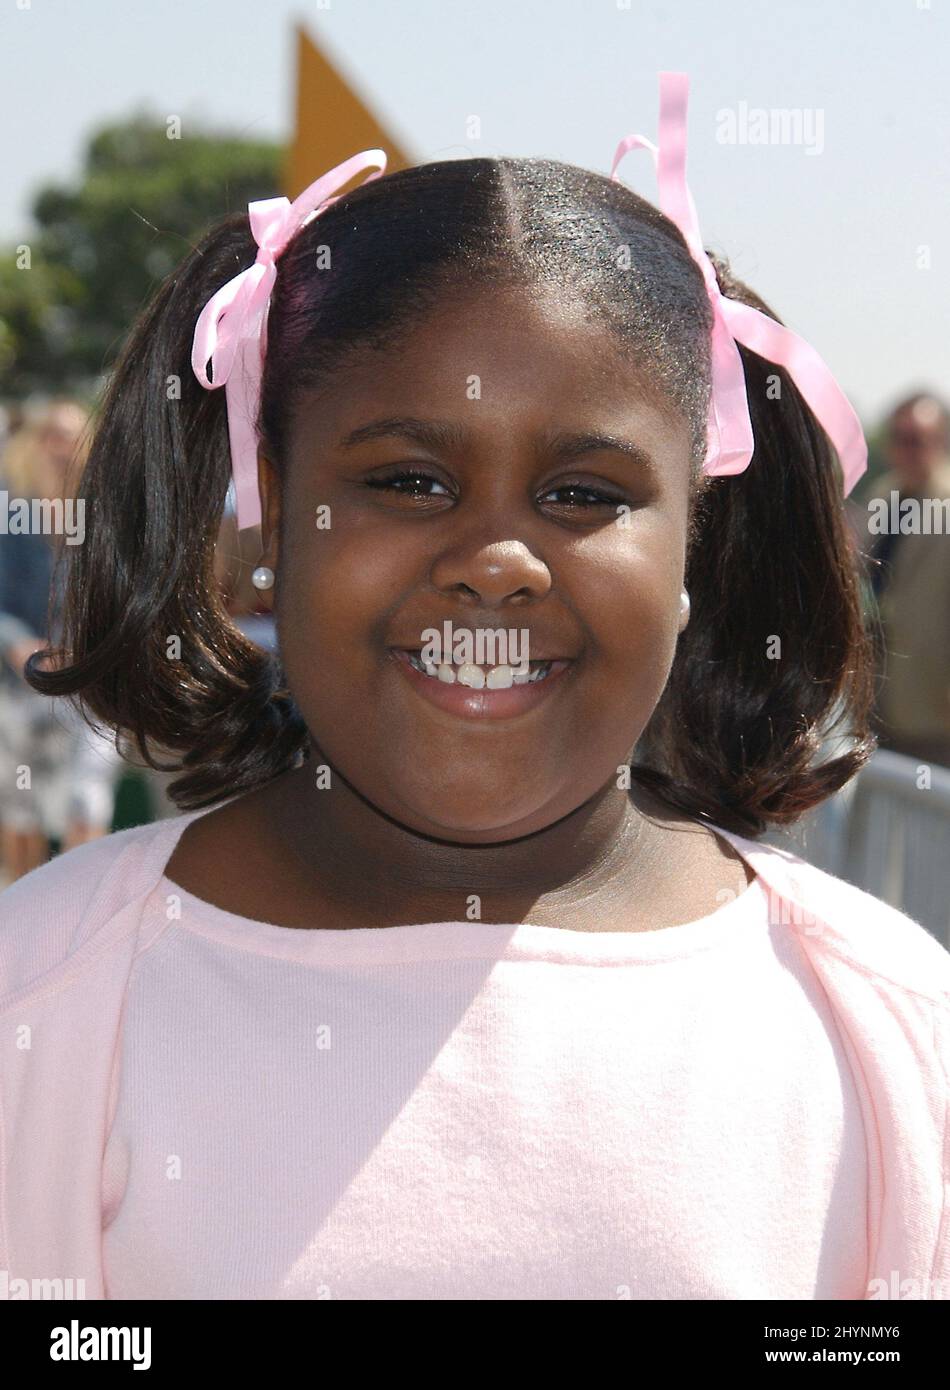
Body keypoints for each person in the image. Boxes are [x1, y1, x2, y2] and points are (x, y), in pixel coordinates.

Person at [1, 74, 948, 1301]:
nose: (496, 563)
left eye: (582, 495)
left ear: (693, 544)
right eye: (406, 481)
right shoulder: (51, 996)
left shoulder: (884, 1027)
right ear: (272, 509)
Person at [0, 400, 121, 880]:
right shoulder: (9, 517)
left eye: (72, 434)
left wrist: (92, 649)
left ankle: (81, 920)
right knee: (19, 807)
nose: (62, 445)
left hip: (89, 686)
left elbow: (122, 598)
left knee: (87, 801)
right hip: (16, 684)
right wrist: (15, 645)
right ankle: (21, 924)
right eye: (51, 434)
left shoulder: (105, 521)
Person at [863, 393, 950, 766]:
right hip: (878, 702)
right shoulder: (884, 494)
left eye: (917, 439)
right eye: (898, 437)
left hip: (934, 710)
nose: (906, 448)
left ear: (940, 440)